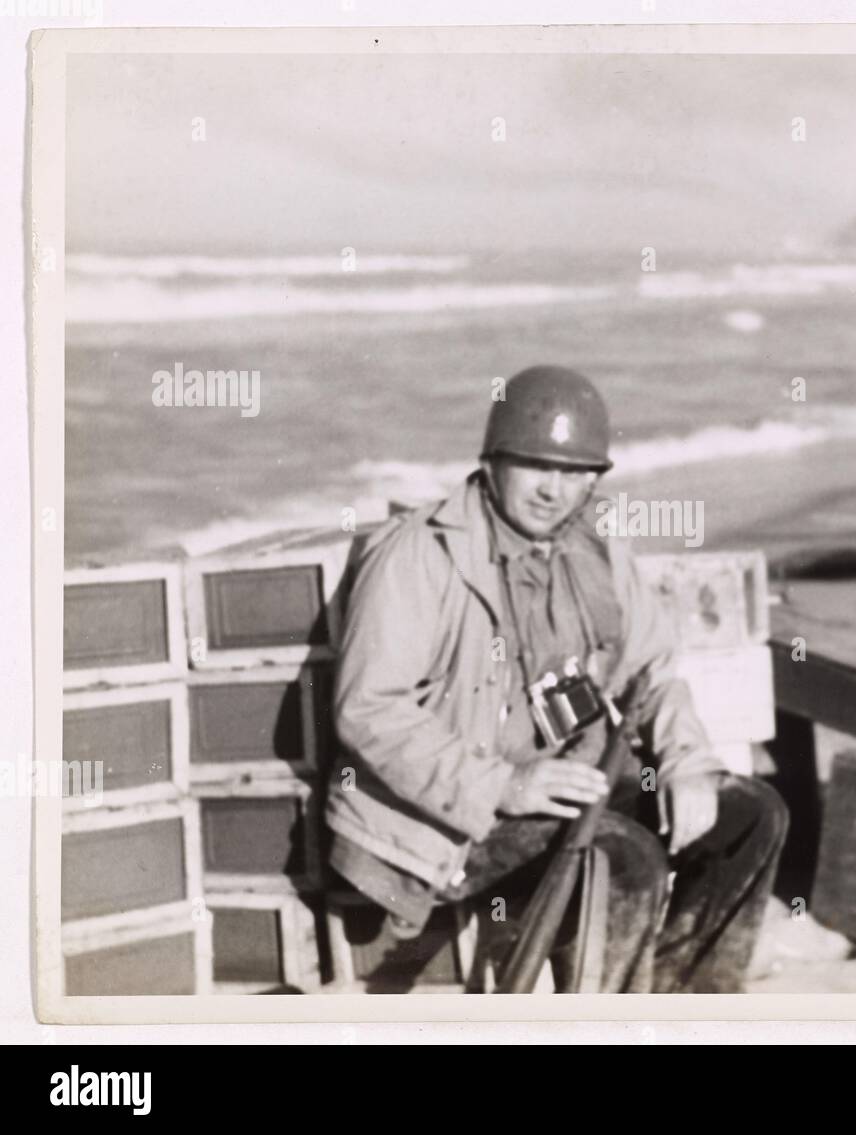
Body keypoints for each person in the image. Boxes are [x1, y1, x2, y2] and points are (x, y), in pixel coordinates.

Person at [324, 365, 788, 993]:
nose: (554, 490)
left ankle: (681, 997)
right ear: (492, 461)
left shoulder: (592, 546)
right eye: (536, 466)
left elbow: (651, 669)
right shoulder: (420, 554)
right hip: (448, 816)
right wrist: (505, 785)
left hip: (569, 784)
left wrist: (687, 763)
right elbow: (368, 710)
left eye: (574, 473)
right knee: (624, 859)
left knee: (751, 816)